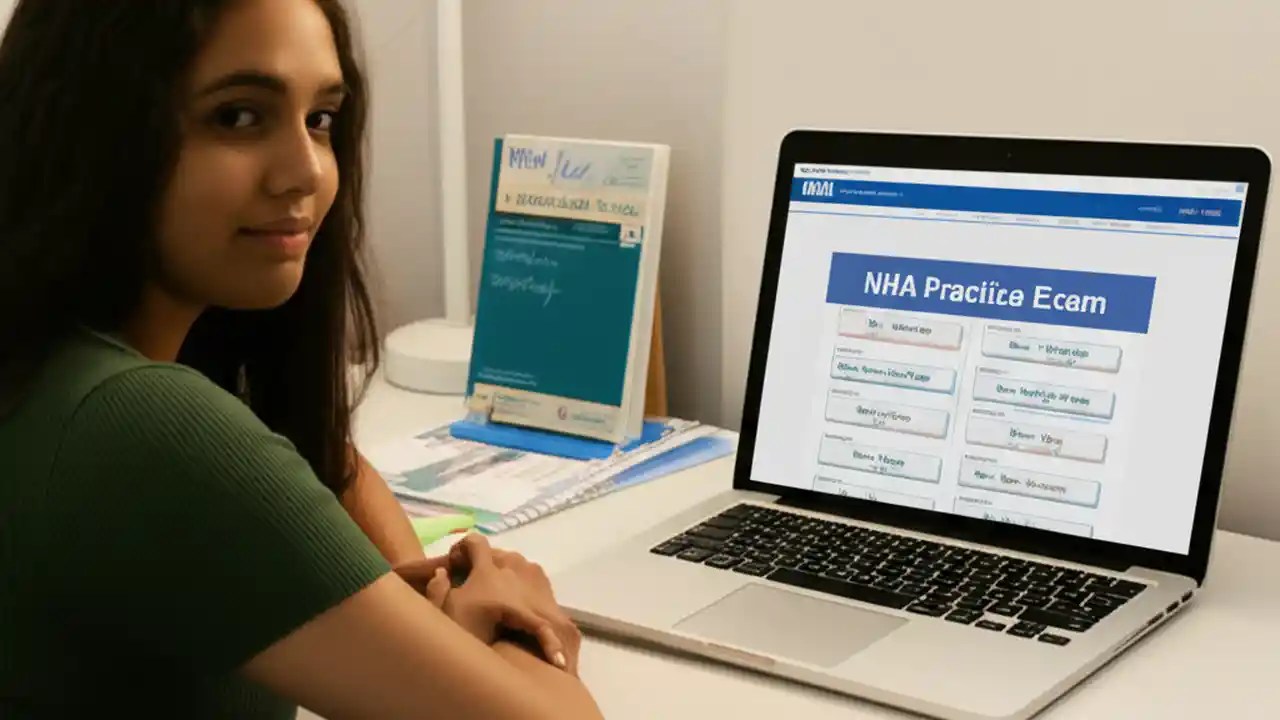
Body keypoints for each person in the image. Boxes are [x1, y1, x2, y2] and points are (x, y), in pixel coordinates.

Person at [0, 1, 603, 718]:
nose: (305, 172)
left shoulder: (55, 368)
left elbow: (327, 461)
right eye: (238, 117)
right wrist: (517, 621)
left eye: (320, 120)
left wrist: (430, 613)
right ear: (93, 128)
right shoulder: (142, 424)